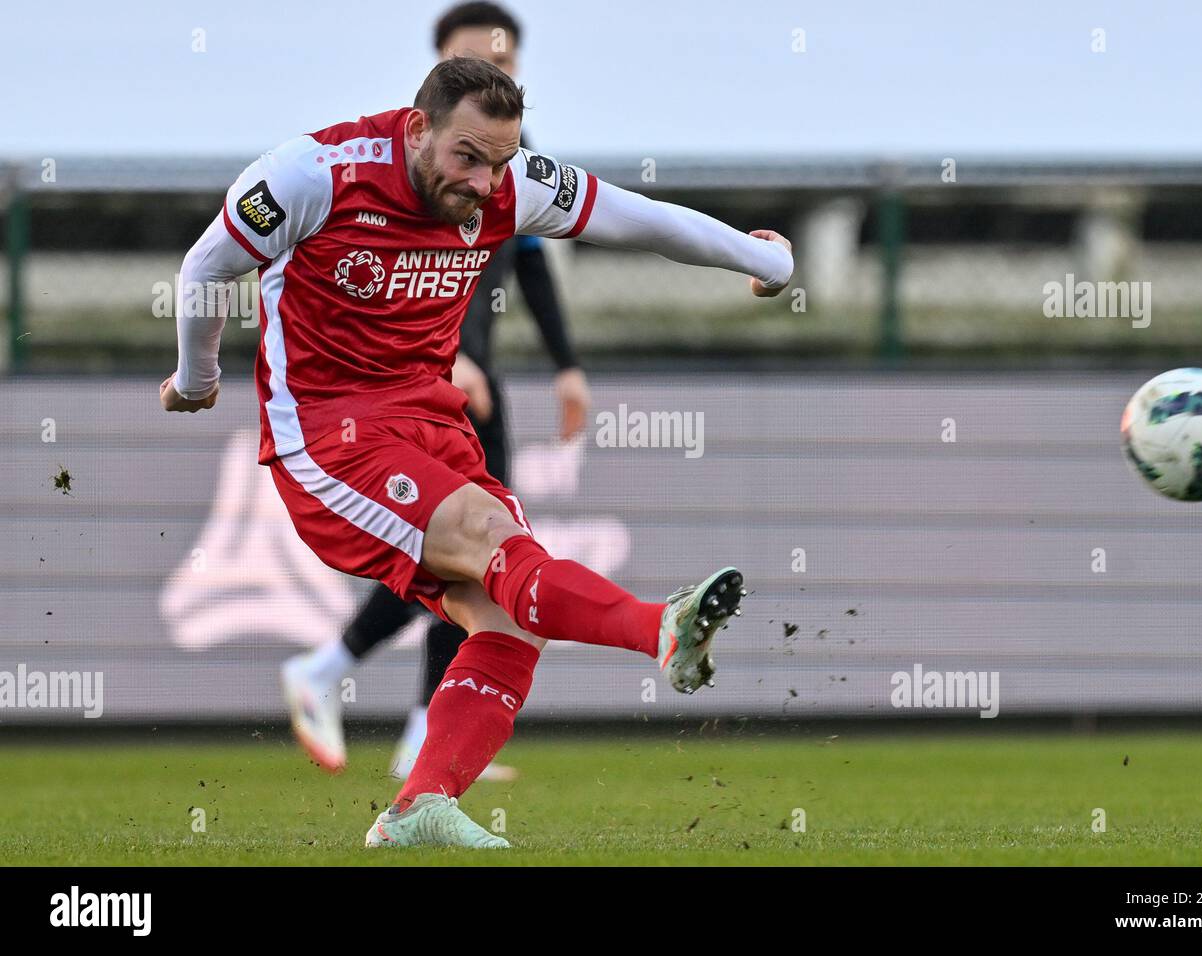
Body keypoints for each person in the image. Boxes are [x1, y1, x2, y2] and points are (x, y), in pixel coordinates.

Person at [160, 56, 792, 849]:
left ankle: (417, 805)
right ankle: (660, 629)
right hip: (327, 435)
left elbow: (643, 220)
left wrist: (765, 260)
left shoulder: (509, 181)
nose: (487, 183)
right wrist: (196, 378)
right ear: (418, 128)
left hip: (433, 420)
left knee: (508, 619)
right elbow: (207, 265)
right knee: (496, 544)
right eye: (469, 158)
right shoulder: (313, 174)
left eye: (500, 162)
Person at [278, 1, 589, 783]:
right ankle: (400, 716)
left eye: (507, 59)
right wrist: (446, 361)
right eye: (476, 55)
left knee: (478, 556)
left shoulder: (513, 164)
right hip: (434, 379)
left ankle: (361, 688)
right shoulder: (412, 168)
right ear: (438, 74)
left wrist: (566, 363)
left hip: (475, 381)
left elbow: (537, 268)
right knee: (474, 556)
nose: (495, 68)